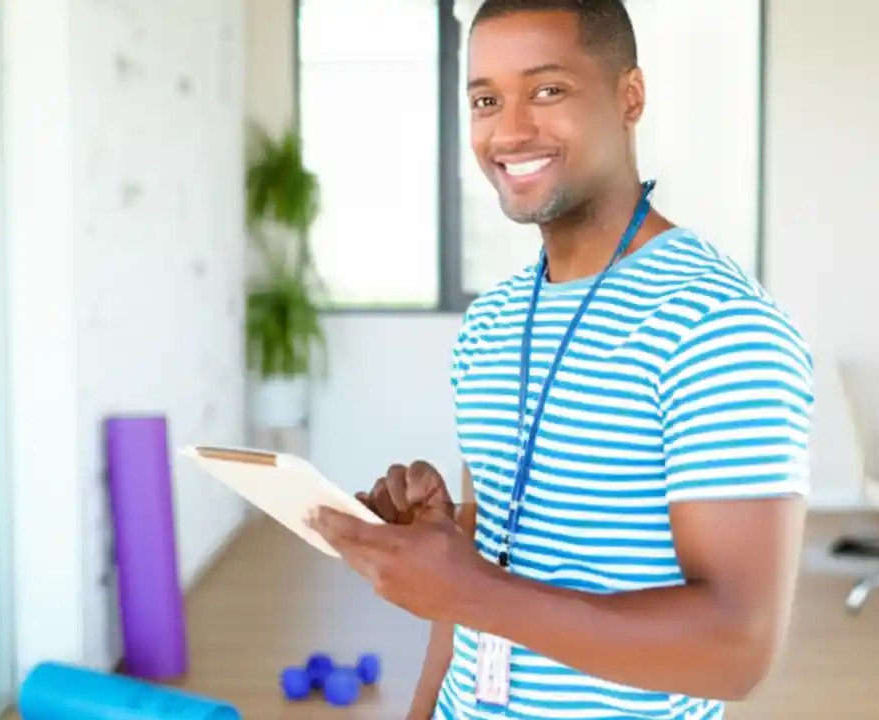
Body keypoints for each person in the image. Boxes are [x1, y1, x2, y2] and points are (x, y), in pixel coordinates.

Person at [307, 1, 814, 718]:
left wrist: (468, 586)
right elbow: (475, 591)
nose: (509, 130)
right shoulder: (492, 322)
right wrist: (448, 544)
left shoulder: (715, 323)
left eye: (547, 90)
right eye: (486, 100)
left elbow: (737, 649)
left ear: (629, 96)